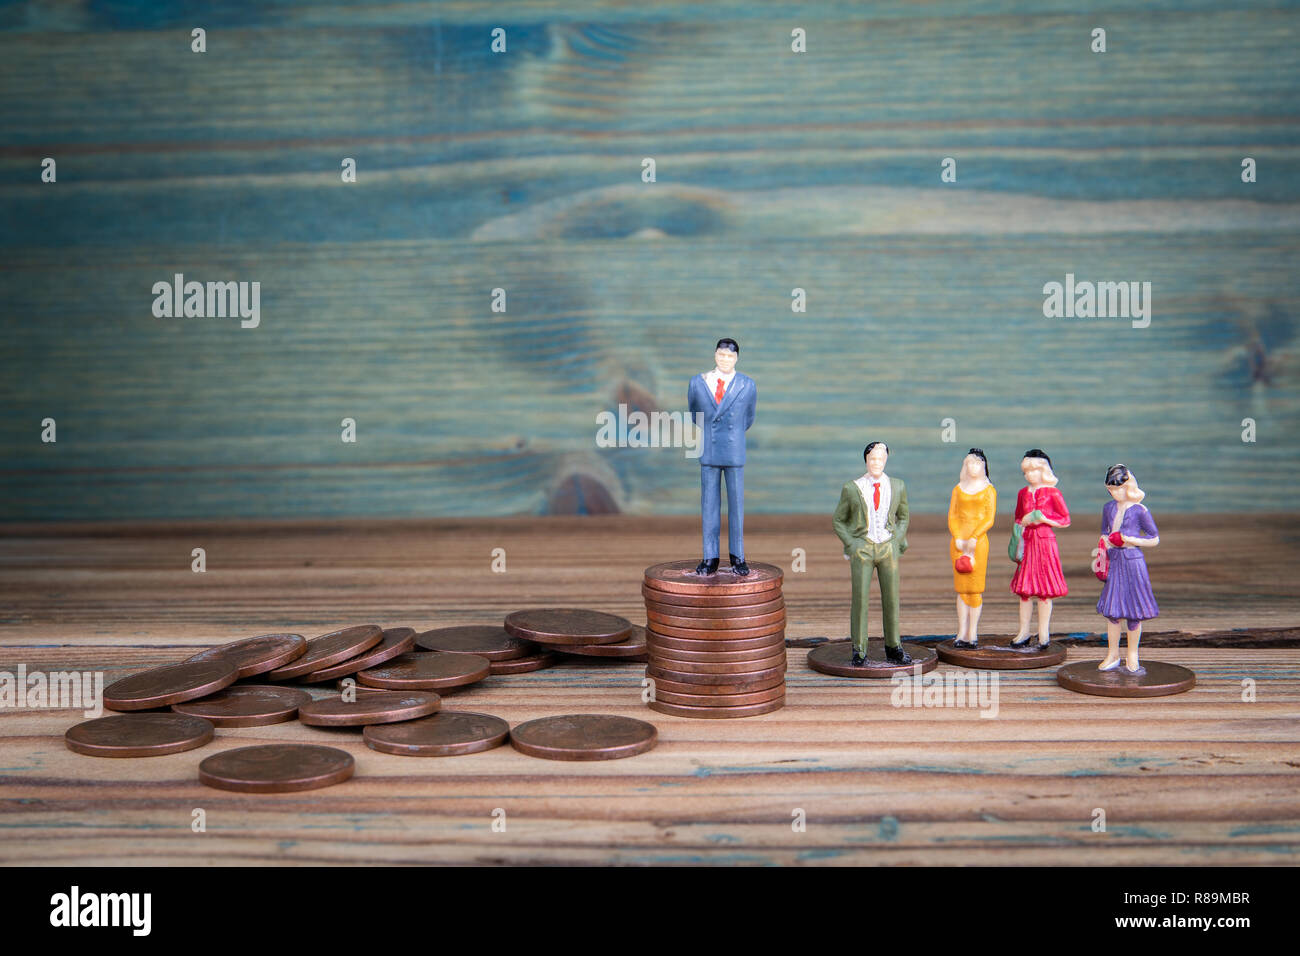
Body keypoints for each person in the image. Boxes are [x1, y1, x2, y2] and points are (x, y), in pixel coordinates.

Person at [832, 441, 911, 666]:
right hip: (863, 548)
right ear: (866, 460)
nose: (876, 463)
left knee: (892, 599)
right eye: (872, 459)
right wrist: (851, 543)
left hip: (888, 547)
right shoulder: (852, 487)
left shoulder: (897, 485)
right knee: (860, 599)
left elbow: (903, 516)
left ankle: (894, 647)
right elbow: (838, 520)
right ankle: (859, 649)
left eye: (880, 458)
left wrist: (897, 538)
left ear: (886, 460)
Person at [687, 338, 756, 575]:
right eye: (721, 355)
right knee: (709, 507)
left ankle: (738, 557)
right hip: (709, 450)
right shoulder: (697, 383)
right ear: (715, 355)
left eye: (730, 356)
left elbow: (748, 418)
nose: (725, 359)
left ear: (736, 358)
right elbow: (695, 414)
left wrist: (732, 433)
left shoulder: (747, 385)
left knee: (736, 507)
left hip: (734, 450)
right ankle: (710, 556)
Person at [1096, 464, 1160, 672]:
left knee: (1134, 613)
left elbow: (1154, 538)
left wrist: (1129, 540)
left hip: (1132, 562)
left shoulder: (1140, 510)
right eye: (1112, 489)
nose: (1116, 493)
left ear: (1129, 485)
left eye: (1120, 488)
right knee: (1113, 613)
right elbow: (1105, 532)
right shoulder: (1108, 508)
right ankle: (1113, 654)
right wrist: (1104, 543)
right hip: (1114, 561)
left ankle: (1132, 654)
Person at [1009, 449, 1070, 647]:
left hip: (1045, 542)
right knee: (1025, 591)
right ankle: (1024, 631)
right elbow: (1018, 516)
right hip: (1028, 542)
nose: (1029, 475)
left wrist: (1042, 518)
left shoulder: (1053, 493)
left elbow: (1065, 519)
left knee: (1044, 592)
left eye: (1033, 470)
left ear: (1043, 470)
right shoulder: (1023, 493)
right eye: (1026, 471)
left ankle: (1044, 634)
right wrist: (1021, 524)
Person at [948, 449, 997, 647]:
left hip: (978, 543)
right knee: (962, 589)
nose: (973, 467)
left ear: (983, 466)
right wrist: (958, 536)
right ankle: (961, 632)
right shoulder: (958, 489)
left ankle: (972, 632)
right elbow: (952, 515)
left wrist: (974, 536)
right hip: (959, 542)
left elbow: (989, 518)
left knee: (975, 589)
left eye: (977, 463)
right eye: (969, 463)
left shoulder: (989, 490)